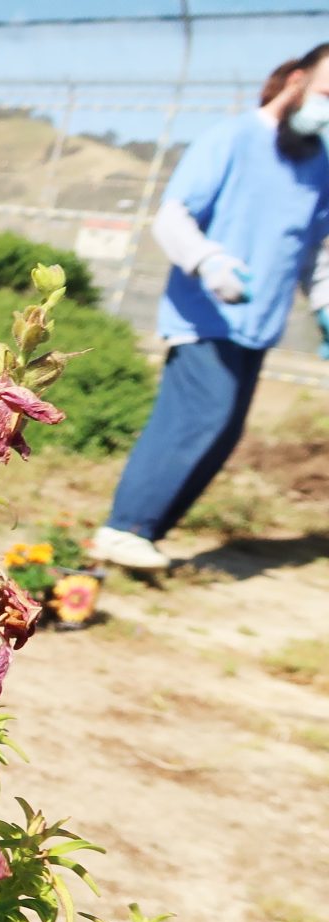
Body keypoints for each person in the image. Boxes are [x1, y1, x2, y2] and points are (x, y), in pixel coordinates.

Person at [92, 44, 329, 570]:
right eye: (327, 94)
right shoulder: (233, 138)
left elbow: (314, 249)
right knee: (197, 417)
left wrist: (324, 303)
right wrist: (209, 262)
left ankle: (145, 533)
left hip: (259, 322)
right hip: (207, 313)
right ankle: (123, 528)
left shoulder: (321, 162)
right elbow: (173, 217)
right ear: (295, 81)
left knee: (222, 431)